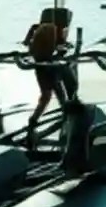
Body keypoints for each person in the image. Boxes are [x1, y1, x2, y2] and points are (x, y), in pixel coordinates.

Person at [26, 11, 76, 149]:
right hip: (49, 65)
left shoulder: (40, 29)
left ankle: (33, 122)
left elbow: (31, 46)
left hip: (42, 64)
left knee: (47, 95)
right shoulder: (51, 30)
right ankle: (67, 118)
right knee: (60, 92)